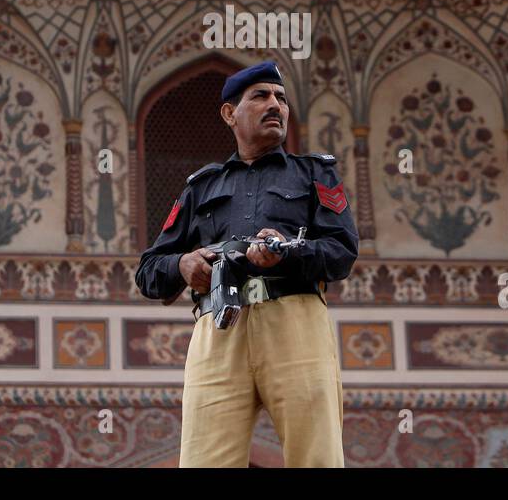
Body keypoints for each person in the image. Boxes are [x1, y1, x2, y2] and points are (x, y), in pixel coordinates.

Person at [135, 60, 359, 467]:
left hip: (295, 322)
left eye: (281, 98)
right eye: (261, 96)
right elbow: (149, 271)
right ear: (229, 113)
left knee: (317, 457)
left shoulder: (314, 174)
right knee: (204, 461)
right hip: (220, 326)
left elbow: (342, 252)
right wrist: (184, 264)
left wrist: (287, 252)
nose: (275, 105)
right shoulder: (202, 187)